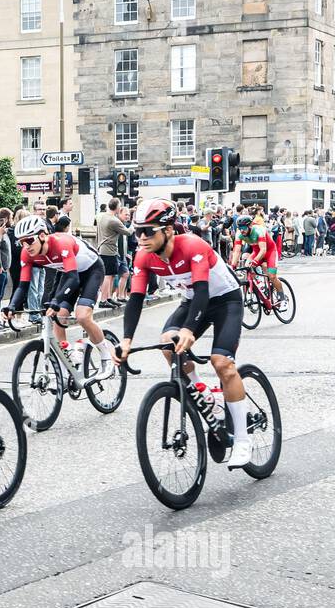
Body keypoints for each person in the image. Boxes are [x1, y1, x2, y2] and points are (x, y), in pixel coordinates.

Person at [113, 198, 253, 468]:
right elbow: (135, 299)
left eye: (148, 230)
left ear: (167, 231)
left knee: (222, 363)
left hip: (225, 301)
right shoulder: (143, 256)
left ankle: (243, 440)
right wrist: (126, 341)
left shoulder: (193, 245)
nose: (140, 237)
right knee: (167, 343)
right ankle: (205, 396)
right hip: (192, 302)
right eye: (137, 230)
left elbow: (202, 290)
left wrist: (189, 329)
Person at [3, 214, 119, 380]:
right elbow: (23, 285)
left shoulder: (60, 243)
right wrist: (12, 306)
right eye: (21, 242)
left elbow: (74, 279)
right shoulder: (27, 254)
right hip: (68, 273)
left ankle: (106, 357)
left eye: (29, 240)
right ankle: (68, 362)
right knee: (58, 316)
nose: (25, 246)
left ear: (42, 236)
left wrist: (56, 301)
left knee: (82, 316)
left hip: (91, 270)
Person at [231, 215, 286, 300]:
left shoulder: (258, 230)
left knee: (272, 276)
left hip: (270, 252)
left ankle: (282, 298)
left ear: (250, 226)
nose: (242, 230)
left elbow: (263, 250)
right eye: (240, 228)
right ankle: (258, 286)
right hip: (256, 252)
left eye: (244, 228)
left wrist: (255, 261)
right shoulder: (239, 234)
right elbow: (237, 251)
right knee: (247, 267)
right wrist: (233, 265)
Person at [96, 196, 132, 309]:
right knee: (108, 276)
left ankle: (108, 298)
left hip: (103, 249)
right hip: (109, 251)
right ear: (117, 208)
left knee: (111, 275)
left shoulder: (102, 217)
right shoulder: (114, 220)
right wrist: (134, 225)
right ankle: (103, 300)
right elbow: (128, 232)